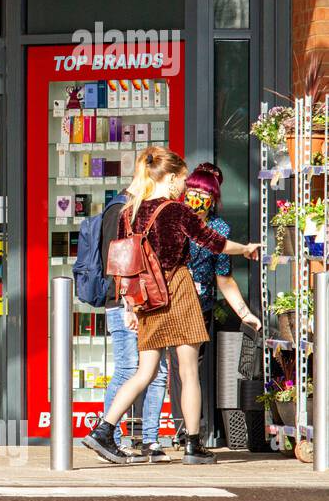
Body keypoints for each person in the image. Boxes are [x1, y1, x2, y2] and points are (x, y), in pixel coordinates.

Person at [83, 147, 260, 465]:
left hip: (146, 295)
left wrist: (128, 305)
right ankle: (193, 444)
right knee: (189, 371)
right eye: (183, 179)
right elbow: (213, 242)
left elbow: (124, 263)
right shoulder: (177, 212)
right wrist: (246, 248)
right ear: (170, 178)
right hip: (177, 288)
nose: (185, 186)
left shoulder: (130, 212)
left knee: (144, 371)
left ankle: (104, 430)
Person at [164, 162, 262, 438]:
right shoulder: (174, 219)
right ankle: (182, 431)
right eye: (193, 190)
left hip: (201, 306)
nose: (197, 198)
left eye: (204, 195)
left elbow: (224, 278)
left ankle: (194, 431)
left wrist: (244, 314)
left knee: (192, 369)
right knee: (177, 369)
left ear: (213, 199)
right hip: (172, 304)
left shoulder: (219, 227)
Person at [98, 188, 171, 462]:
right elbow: (114, 262)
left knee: (157, 371)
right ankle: (110, 438)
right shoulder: (120, 210)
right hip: (123, 301)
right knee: (128, 369)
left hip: (148, 301)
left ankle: (150, 440)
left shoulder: (144, 212)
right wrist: (128, 302)